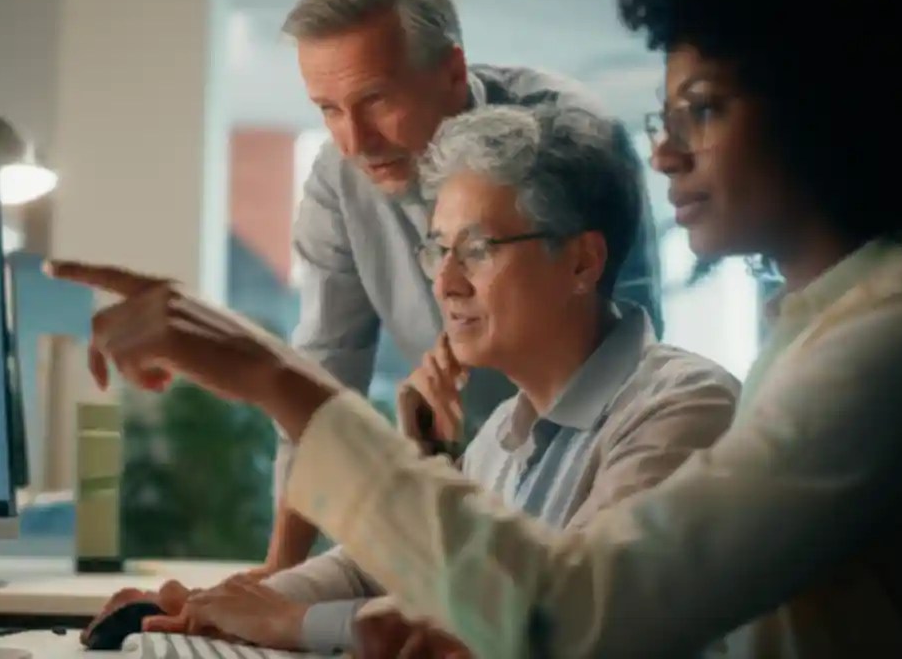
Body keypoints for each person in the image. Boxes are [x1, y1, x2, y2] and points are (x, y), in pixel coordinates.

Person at [51, 0, 902, 656]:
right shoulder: (834, 325)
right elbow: (466, 585)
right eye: (435, 248)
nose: (665, 153)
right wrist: (266, 594)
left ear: (826, 105)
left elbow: (570, 612)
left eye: (702, 109)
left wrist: (271, 378)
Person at [123, 105, 737, 654]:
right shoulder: (502, 430)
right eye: (438, 250)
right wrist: (224, 610)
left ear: (581, 261)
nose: (445, 284)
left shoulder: (682, 410)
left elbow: (562, 625)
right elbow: (372, 569)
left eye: (476, 249)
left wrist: (298, 622)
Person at [265, 0, 665, 575]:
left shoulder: (571, 142)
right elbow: (321, 379)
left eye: (375, 99)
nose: (355, 142)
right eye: (328, 109)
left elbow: (628, 345)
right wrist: (277, 573)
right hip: (457, 468)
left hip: (590, 471)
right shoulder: (338, 179)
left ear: (453, 71)